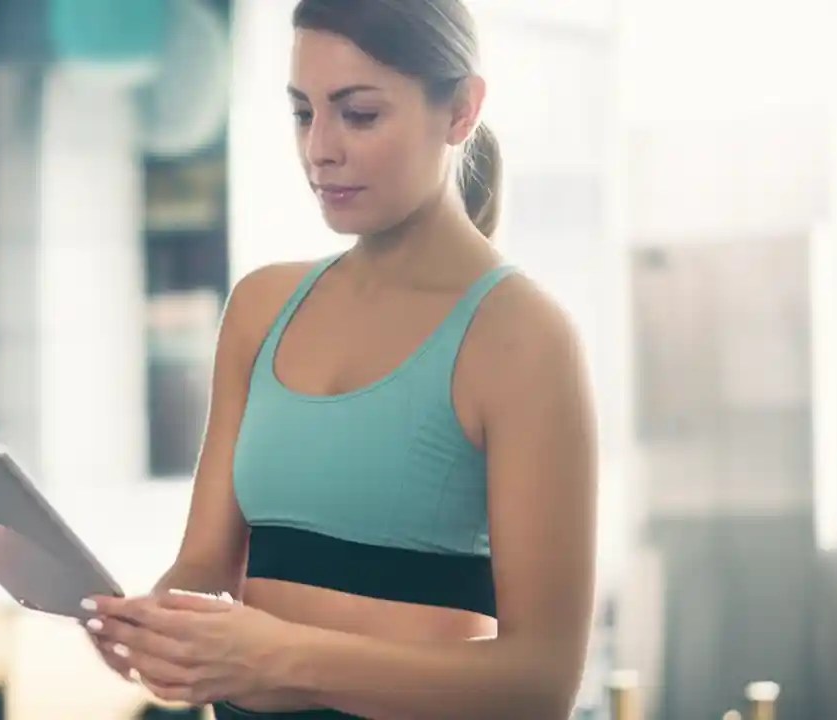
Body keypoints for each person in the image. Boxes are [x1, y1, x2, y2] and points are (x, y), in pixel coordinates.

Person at [84, 0, 598, 717]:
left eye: (358, 114)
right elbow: (204, 566)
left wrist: (283, 658)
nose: (320, 148)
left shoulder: (523, 338)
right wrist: (158, 626)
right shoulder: (260, 308)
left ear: (460, 110)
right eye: (303, 112)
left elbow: (540, 684)